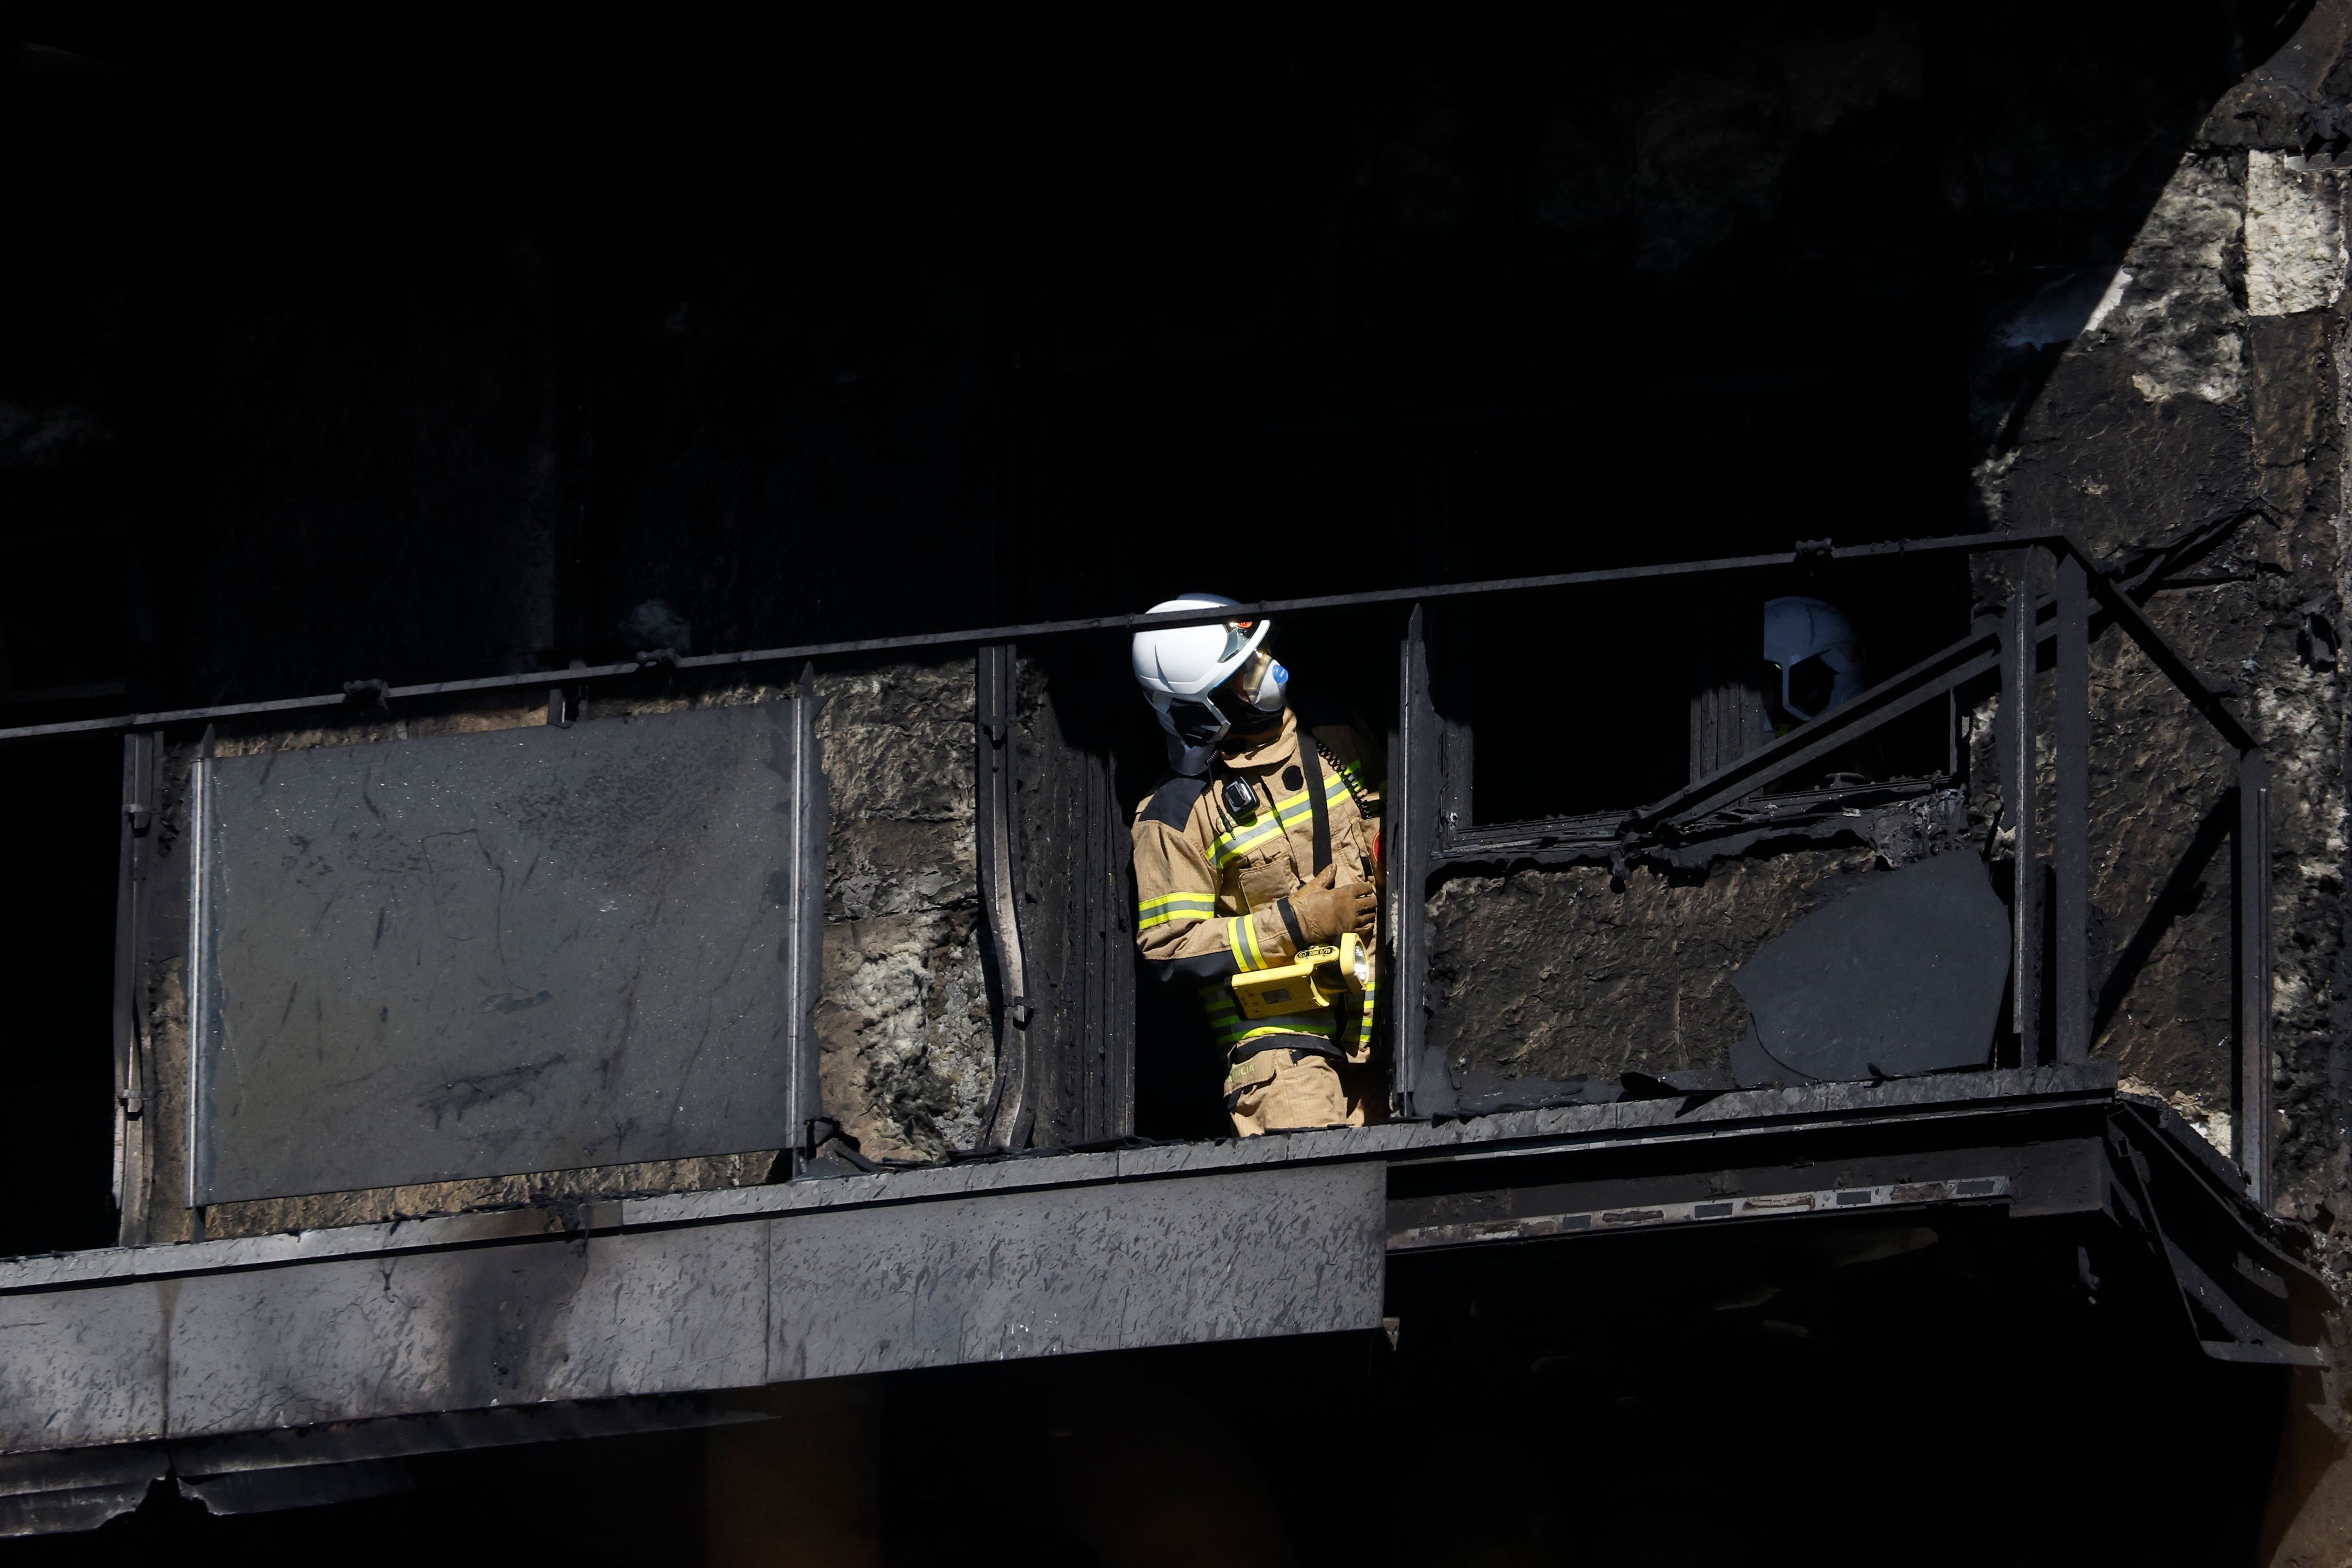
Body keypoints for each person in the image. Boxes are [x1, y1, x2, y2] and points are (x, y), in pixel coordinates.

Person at [1128, 594, 1384, 1136]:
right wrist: (1297, 923)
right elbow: (1169, 949)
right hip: (1282, 1040)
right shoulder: (1176, 813)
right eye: (1243, 673)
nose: (1267, 672)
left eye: (1260, 654)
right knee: (1313, 1172)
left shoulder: (1333, 733)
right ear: (1201, 708)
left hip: (1384, 1014)